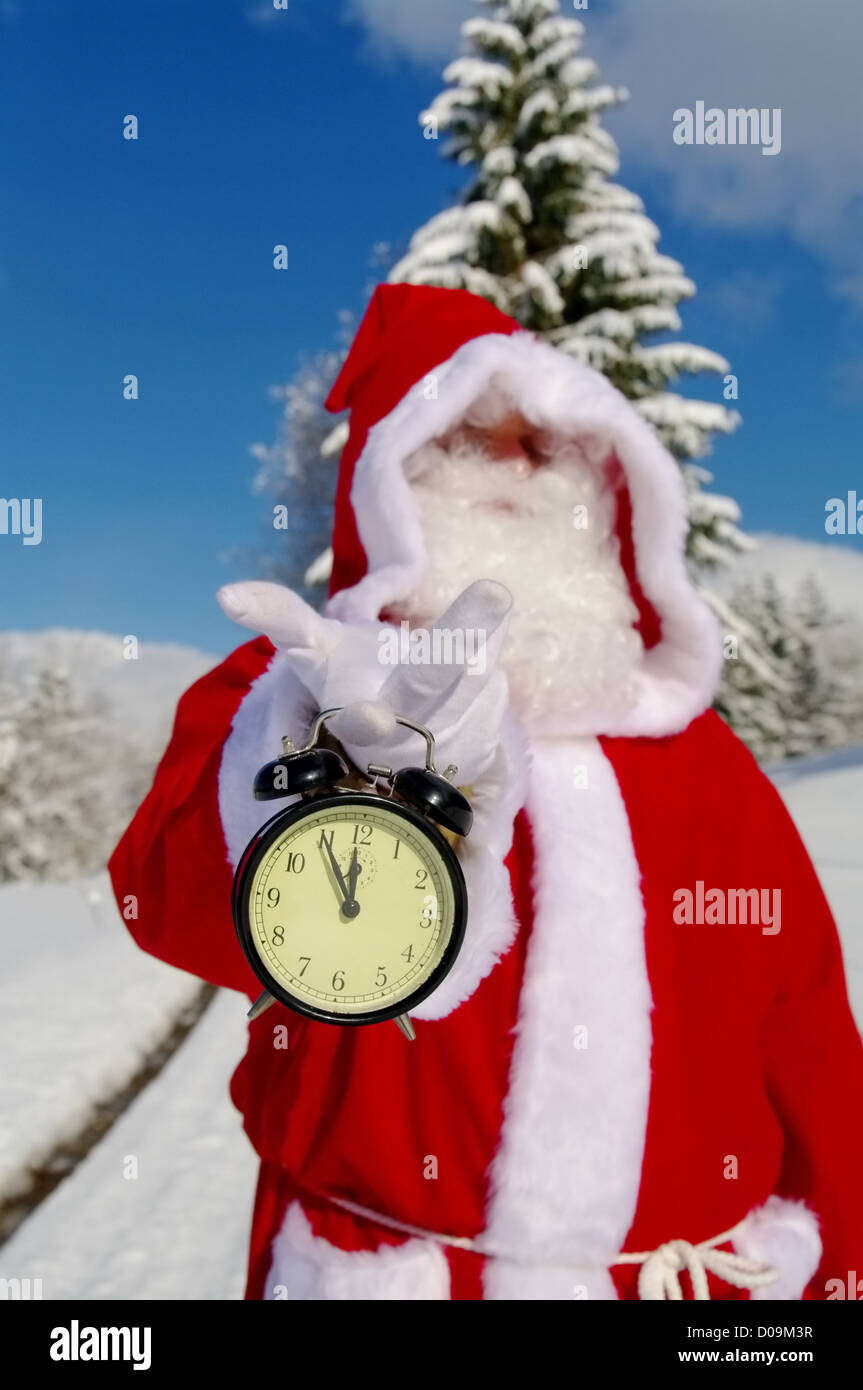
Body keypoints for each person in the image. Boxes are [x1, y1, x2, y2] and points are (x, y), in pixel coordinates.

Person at [109, 283, 863, 1301]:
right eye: (468, 436)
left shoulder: (704, 764)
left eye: (541, 444)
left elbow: (809, 1039)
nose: (512, 463)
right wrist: (322, 756)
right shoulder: (289, 688)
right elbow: (166, 901)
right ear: (386, 476)